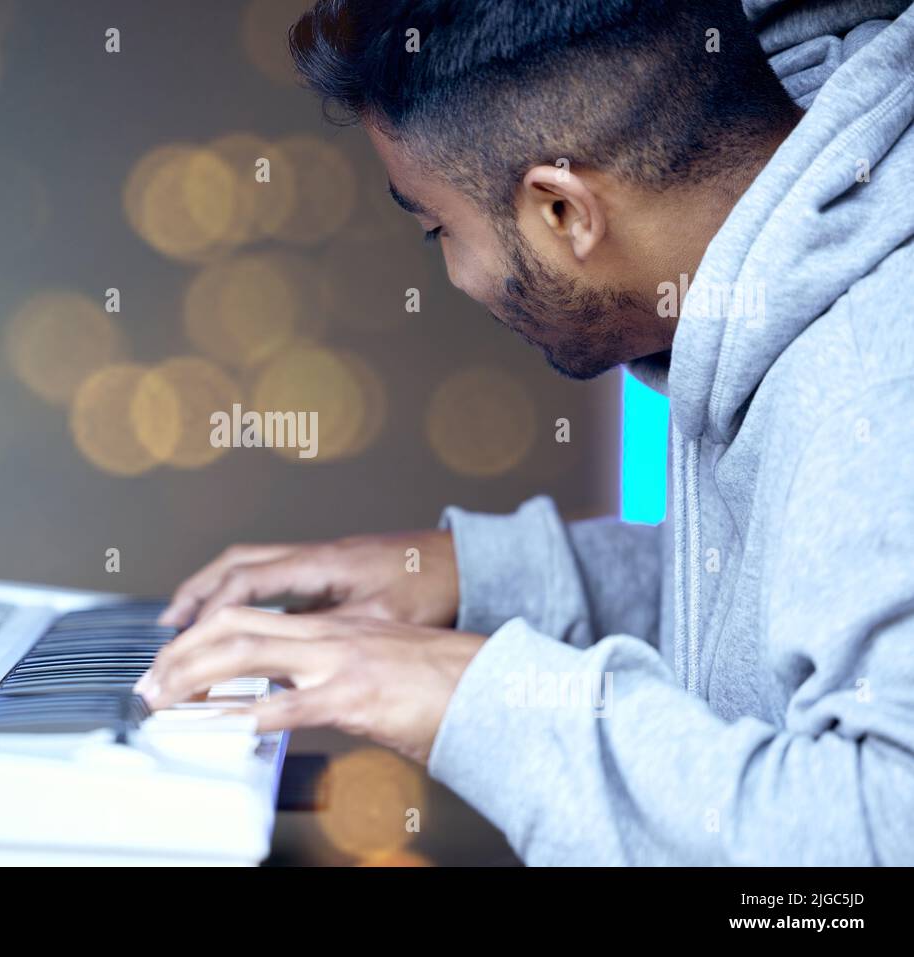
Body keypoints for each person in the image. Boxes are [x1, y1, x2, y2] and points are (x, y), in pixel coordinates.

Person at [134, 0, 914, 864]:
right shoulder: (781, 211)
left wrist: (465, 693)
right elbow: (800, 597)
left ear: (564, 212)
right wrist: (484, 575)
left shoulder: (870, 381)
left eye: (438, 228)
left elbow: (880, 830)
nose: (454, 277)